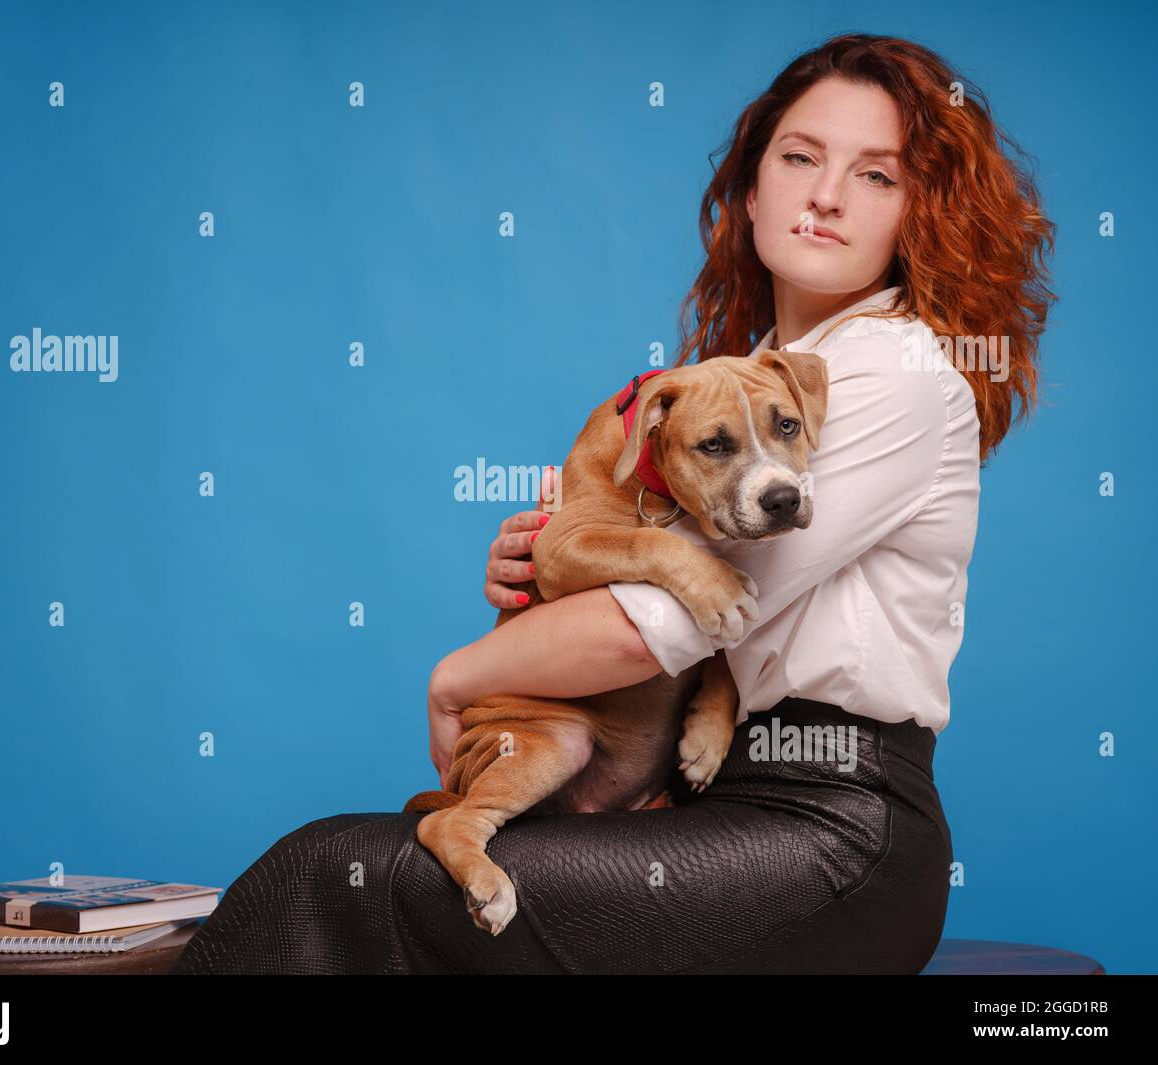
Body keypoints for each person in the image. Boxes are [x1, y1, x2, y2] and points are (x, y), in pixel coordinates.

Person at [175, 32, 1055, 975]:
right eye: (800, 158)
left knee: (335, 870)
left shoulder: (890, 369)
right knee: (366, 869)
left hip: (829, 826)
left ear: (919, 212)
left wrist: (458, 679)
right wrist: (551, 564)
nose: (828, 195)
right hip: (705, 786)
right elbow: (629, 578)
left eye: (877, 175)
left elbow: (652, 628)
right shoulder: (752, 377)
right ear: (751, 191)